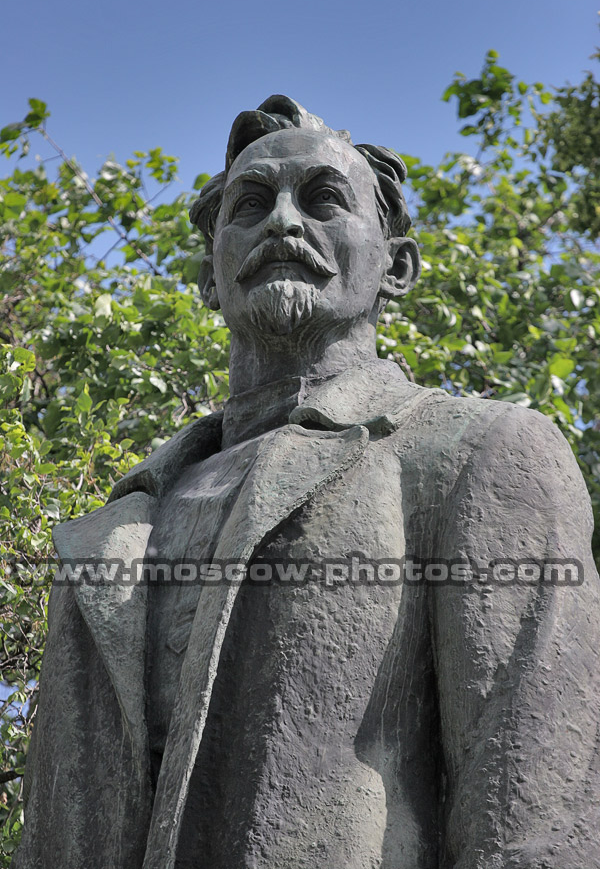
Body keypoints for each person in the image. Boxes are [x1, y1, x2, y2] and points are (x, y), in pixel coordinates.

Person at [15, 96, 600, 869]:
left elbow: (539, 821)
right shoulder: (110, 533)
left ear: (397, 266)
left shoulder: (480, 453)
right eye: (249, 205)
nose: (282, 223)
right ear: (207, 275)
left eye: (324, 199)